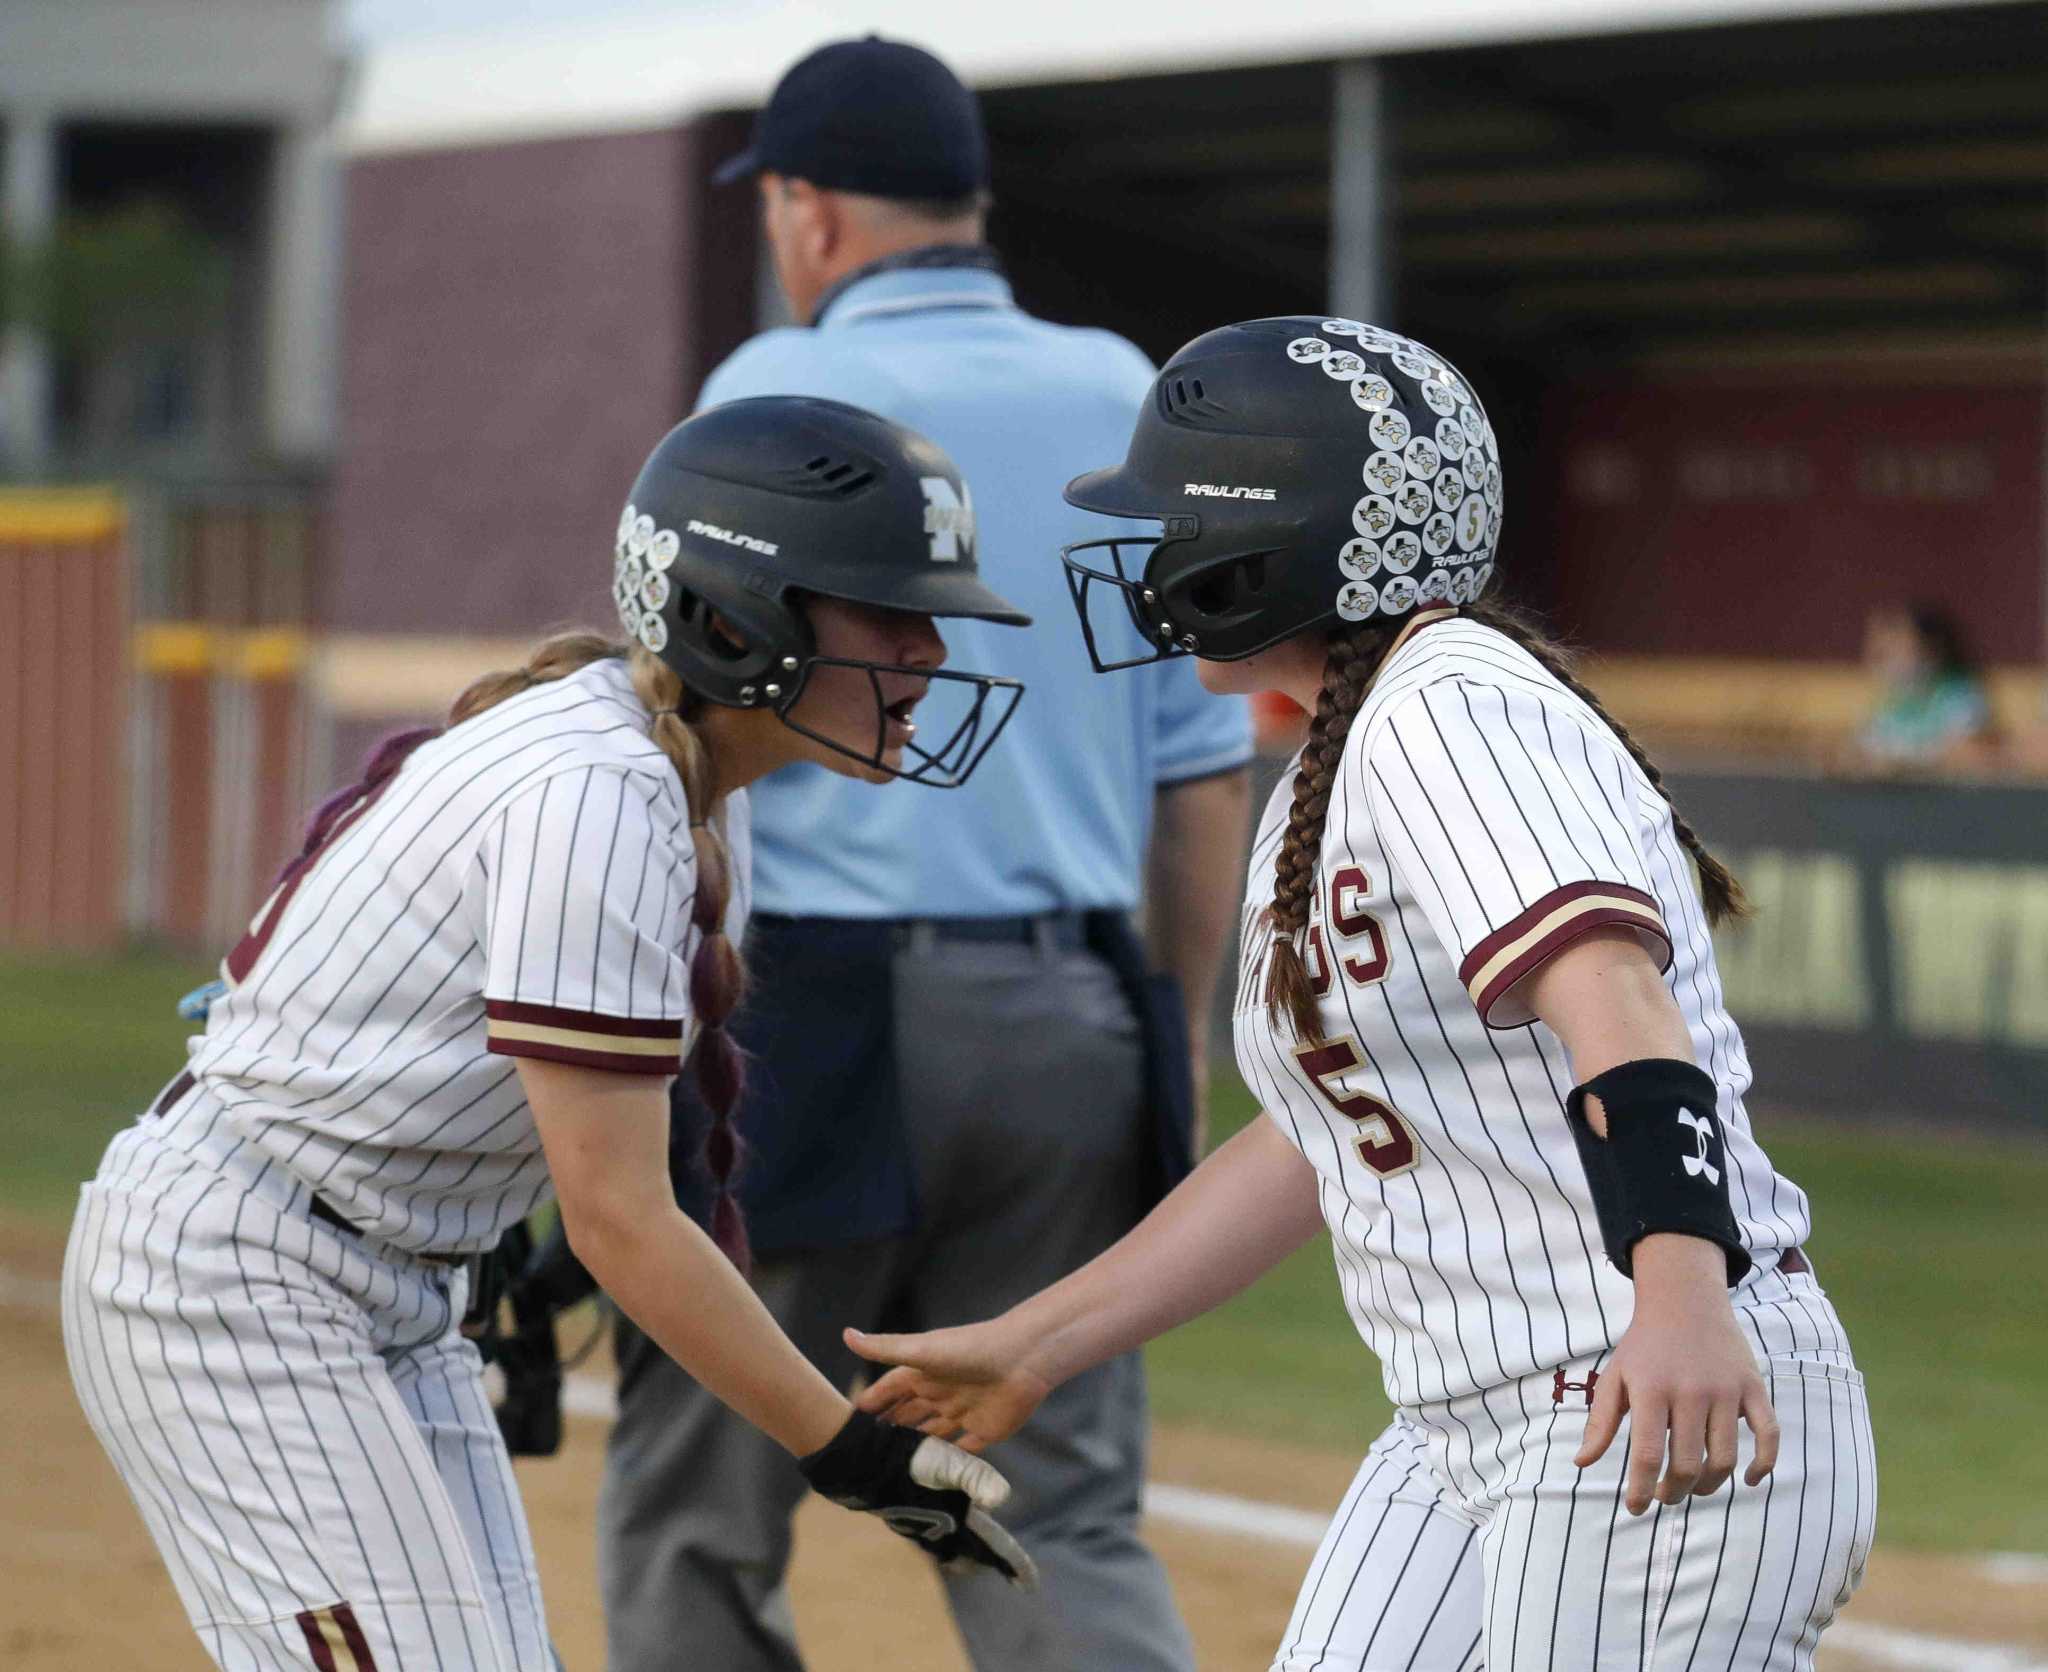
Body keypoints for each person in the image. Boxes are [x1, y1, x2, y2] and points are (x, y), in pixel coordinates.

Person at [848, 317, 1878, 1670]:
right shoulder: (1335, 763)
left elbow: (1616, 997)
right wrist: (1036, 1344)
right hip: (1475, 1420)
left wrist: (1683, 1297)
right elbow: (1317, 1142)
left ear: (1273, 539)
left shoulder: (1446, 701)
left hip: (1645, 1379)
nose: (1148, 555)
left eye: (1174, 520)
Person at [60, 395, 1040, 1672]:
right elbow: (620, 1214)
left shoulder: (672, 767)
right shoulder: (603, 787)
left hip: (371, 1269)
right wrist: (850, 1451)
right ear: (734, 618)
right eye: (886, 610)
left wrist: (508, 1247)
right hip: (240, 1280)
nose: (928, 648)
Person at [598, 34, 1249, 1672]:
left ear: (808, 211)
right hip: (1074, 1008)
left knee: (701, 1512)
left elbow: (672, 741)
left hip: (802, 1017)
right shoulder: (1120, 392)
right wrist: (1169, 1039)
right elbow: (1200, 783)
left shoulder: (772, 390)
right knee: (1062, 1511)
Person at [1850, 601, 1997, 773]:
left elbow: (1972, 755)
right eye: (1880, 651)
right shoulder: (1887, 702)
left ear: (1930, 648)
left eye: (1897, 647)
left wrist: (1901, 764)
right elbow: (1860, 751)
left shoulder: (1961, 696)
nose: (1884, 660)